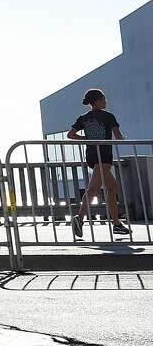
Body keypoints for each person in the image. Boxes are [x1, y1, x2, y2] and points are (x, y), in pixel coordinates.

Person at [67, 88, 130, 239]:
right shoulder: (109, 117)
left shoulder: (84, 117)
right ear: (97, 101)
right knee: (93, 188)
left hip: (91, 156)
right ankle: (79, 219)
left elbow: (70, 135)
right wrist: (124, 139)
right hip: (104, 156)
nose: (106, 101)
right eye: (103, 99)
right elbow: (118, 137)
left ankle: (116, 224)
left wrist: (87, 140)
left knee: (112, 187)